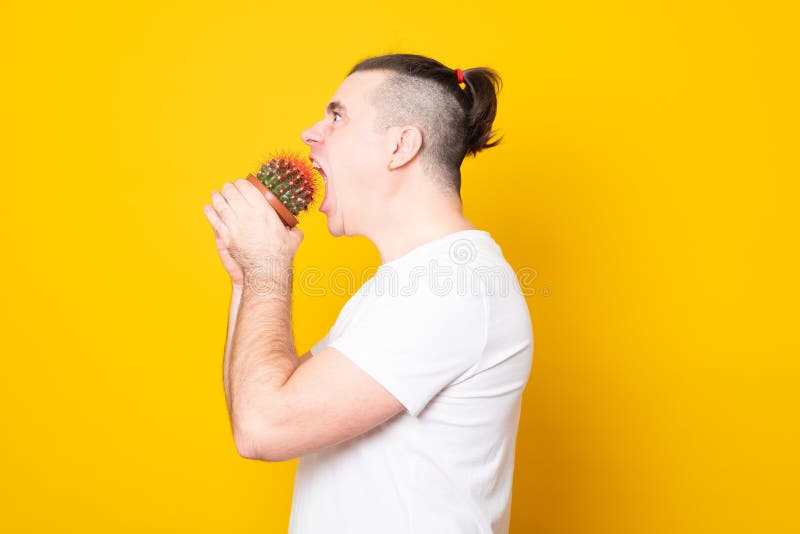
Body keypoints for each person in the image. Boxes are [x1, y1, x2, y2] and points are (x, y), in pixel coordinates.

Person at [203, 53, 534, 534]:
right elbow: (269, 400)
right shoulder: (410, 285)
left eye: (337, 117)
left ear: (400, 146)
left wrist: (267, 271)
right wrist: (246, 278)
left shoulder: (452, 291)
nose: (311, 133)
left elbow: (264, 428)